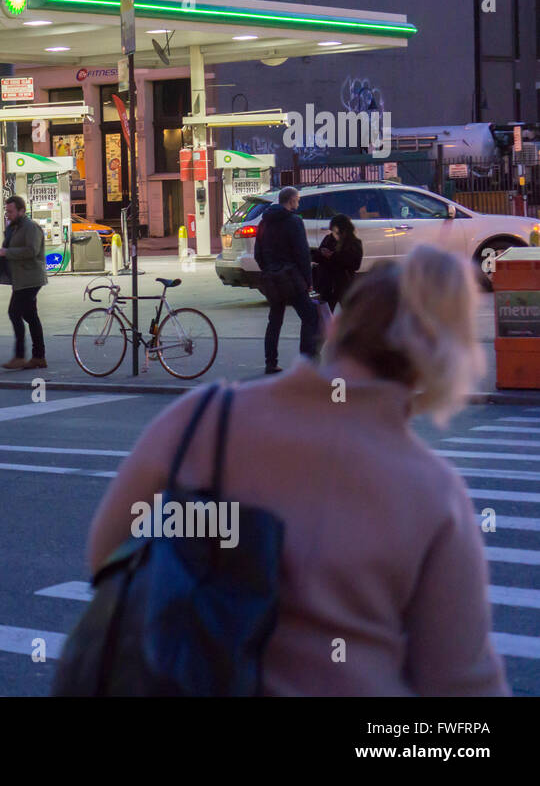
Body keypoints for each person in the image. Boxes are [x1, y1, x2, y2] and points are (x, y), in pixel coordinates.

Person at [84, 247, 506, 696]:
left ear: (334, 327)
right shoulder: (434, 493)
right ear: (436, 367)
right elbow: (460, 679)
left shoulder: (205, 418)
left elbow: (105, 554)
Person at [254, 186, 318, 375]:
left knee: (275, 320)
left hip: (272, 278)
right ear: (291, 200)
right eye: (297, 199)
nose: (298, 203)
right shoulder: (294, 221)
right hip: (291, 278)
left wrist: (268, 269)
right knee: (310, 317)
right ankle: (306, 362)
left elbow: (258, 253)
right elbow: (302, 253)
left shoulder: (264, 222)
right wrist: (308, 280)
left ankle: (270, 362)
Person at [0, 196, 47, 370]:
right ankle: (39, 356)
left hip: (30, 278)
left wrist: (8, 253)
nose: (8, 214)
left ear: (21, 211)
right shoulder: (14, 228)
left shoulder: (30, 227)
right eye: (7, 211)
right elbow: (9, 249)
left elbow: (32, 250)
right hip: (21, 279)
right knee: (30, 316)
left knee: (14, 312)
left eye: (11, 211)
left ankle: (20, 356)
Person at [312, 214, 363, 312]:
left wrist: (332, 256)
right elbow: (317, 258)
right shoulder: (328, 239)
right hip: (327, 283)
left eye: (336, 232)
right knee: (325, 314)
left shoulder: (354, 243)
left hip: (344, 283)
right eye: (332, 231)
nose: (334, 234)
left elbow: (355, 264)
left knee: (349, 313)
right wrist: (321, 253)